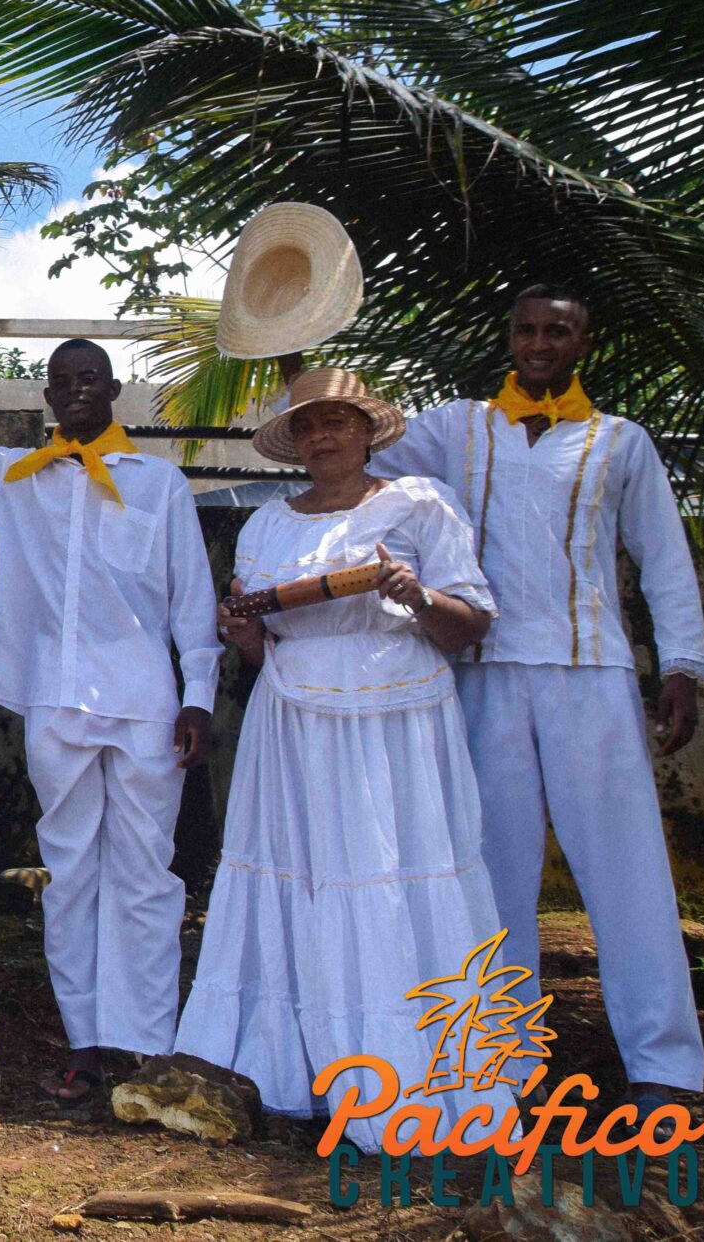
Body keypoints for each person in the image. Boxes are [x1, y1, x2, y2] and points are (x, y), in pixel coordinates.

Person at [361, 286, 704, 1111]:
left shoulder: (620, 442)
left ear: (582, 342)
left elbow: (663, 558)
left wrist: (681, 668)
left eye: (557, 330)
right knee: (492, 873)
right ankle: (498, 1067)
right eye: (526, 328)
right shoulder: (456, 427)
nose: (539, 342)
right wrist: (301, 369)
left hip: (591, 670)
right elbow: (361, 452)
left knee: (627, 867)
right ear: (509, 337)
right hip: (484, 669)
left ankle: (665, 1067)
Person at [149, 369, 512, 1151]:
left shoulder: (420, 503)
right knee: (305, 876)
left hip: (397, 718)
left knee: (389, 876)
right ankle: (293, 1071)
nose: (323, 437)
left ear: (368, 429)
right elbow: (256, 646)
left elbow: (470, 625)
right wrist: (239, 625)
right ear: (294, 442)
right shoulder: (265, 526)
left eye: (338, 422)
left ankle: (413, 1079)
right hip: (296, 717)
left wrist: (414, 593)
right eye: (309, 426)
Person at [0, 342, 220, 1105]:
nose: (74, 390)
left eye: (88, 377)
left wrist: (200, 694)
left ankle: (149, 1046)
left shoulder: (159, 485)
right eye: (60, 381)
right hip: (54, 702)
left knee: (146, 873)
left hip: (145, 701)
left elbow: (193, 598)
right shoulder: (13, 478)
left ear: (115, 389)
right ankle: (86, 1044)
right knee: (71, 874)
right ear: (48, 397)